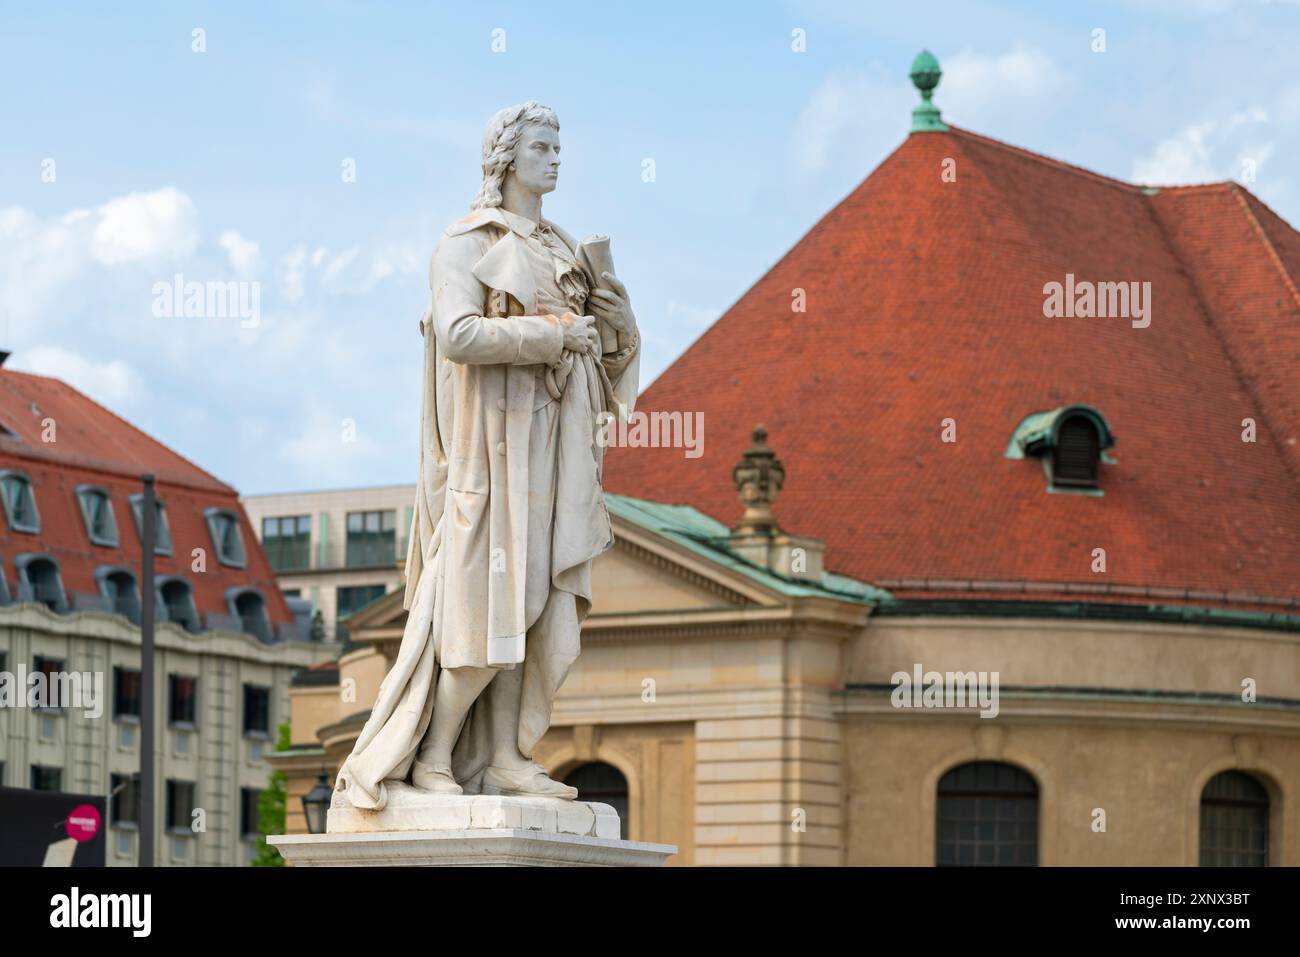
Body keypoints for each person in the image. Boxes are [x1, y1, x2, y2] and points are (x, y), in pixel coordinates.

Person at [334, 101, 639, 811]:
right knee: (481, 610)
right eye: (542, 146)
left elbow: (609, 358)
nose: (556, 158)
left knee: (533, 605)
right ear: (505, 158)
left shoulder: (561, 249)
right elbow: (459, 334)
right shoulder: (465, 243)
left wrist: (614, 319)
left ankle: (505, 756)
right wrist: (551, 336)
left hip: (555, 453)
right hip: (492, 456)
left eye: (560, 146)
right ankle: (435, 751)